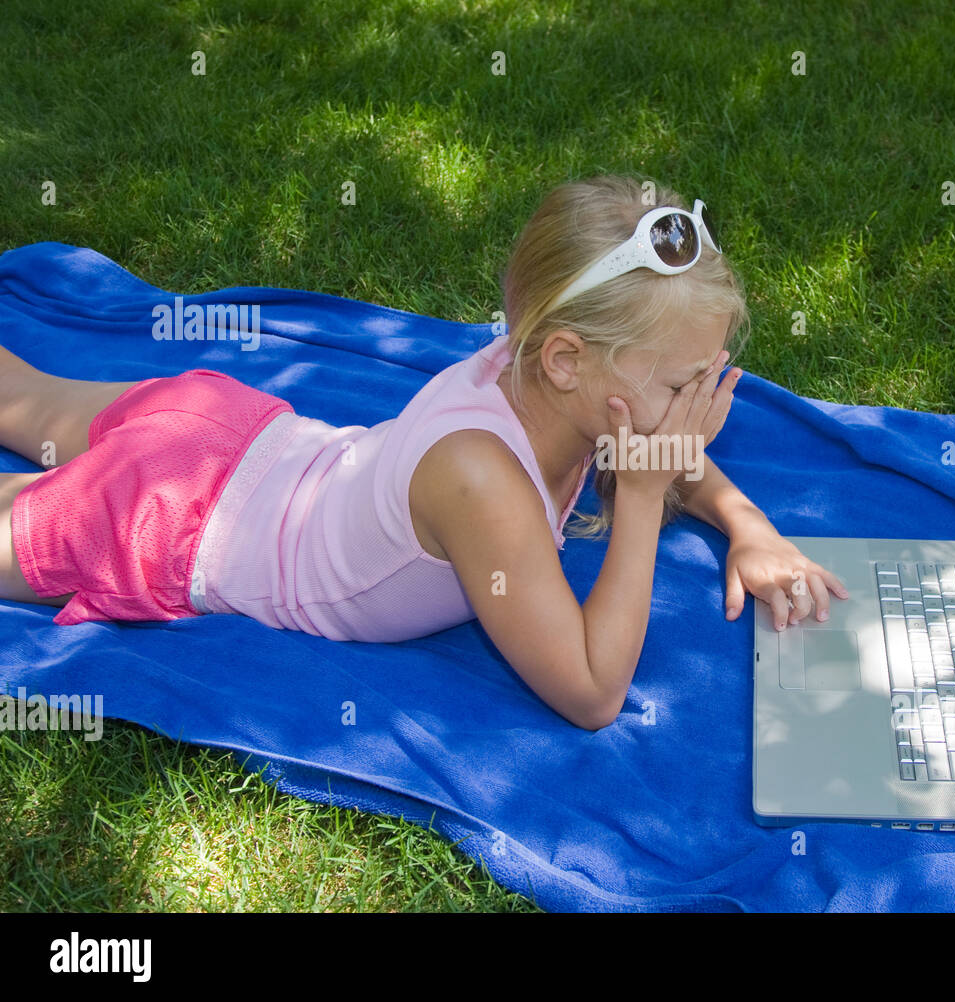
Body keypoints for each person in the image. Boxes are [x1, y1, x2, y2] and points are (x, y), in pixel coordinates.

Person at [0, 174, 848, 730]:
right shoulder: (484, 482)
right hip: (163, 520)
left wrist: (747, 525)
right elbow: (593, 694)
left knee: (23, 394)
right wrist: (637, 504)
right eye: (683, 386)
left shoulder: (552, 381)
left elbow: (664, 446)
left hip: (229, 431)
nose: (697, 410)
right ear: (564, 359)